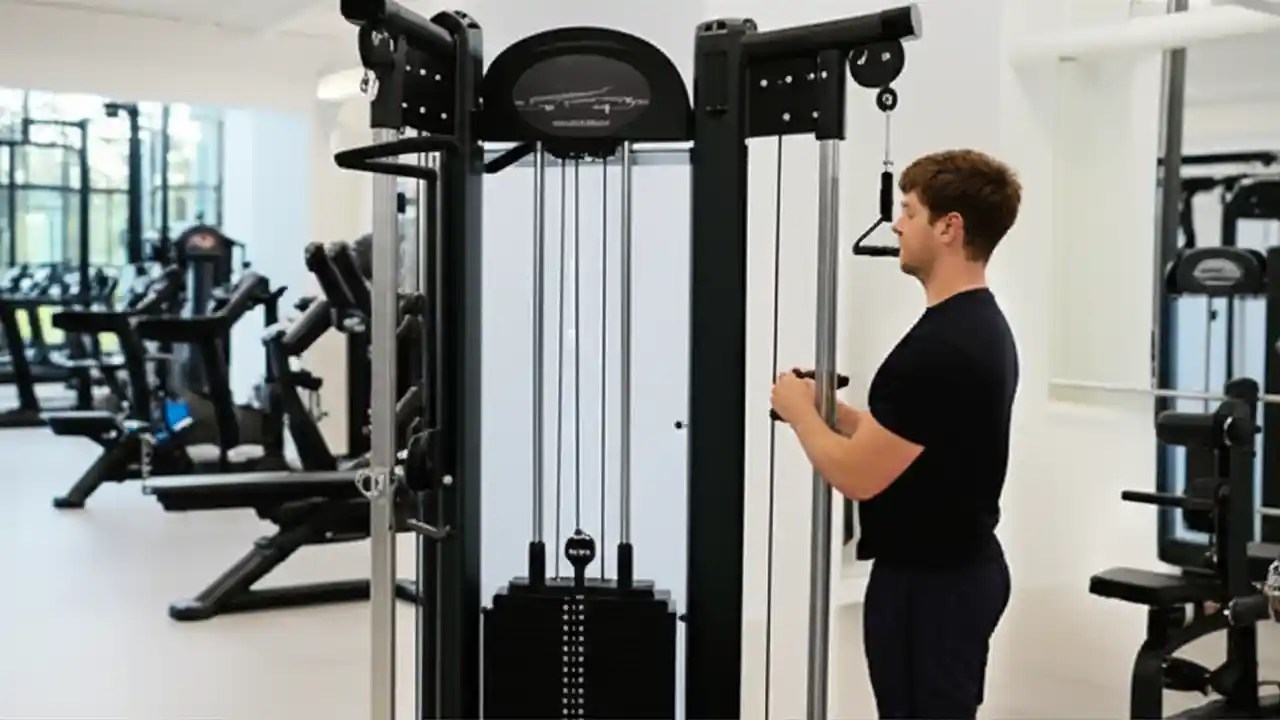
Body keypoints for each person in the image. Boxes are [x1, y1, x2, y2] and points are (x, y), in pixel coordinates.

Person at [769, 149, 1022, 719]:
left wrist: (798, 411)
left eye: (908, 211)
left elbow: (859, 475)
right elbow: (918, 437)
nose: (897, 225)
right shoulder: (975, 326)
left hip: (934, 585)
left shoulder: (942, 346)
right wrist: (831, 410)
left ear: (948, 227)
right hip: (952, 571)